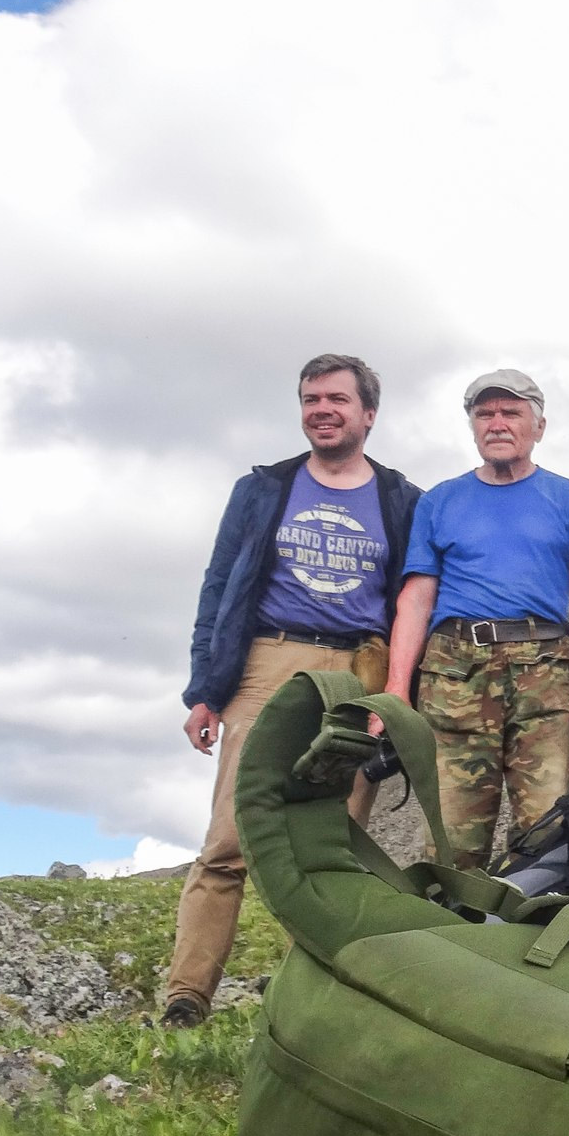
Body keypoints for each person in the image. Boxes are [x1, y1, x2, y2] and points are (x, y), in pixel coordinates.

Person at [166, 352, 423, 1025]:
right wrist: (205, 687)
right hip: (267, 662)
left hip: (358, 672)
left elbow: (413, 601)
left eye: (336, 398)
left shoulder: (402, 499)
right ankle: (186, 998)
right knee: (229, 838)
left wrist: (398, 700)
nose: (321, 410)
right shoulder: (263, 488)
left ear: (368, 412)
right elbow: (219, 586)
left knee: (331, 843)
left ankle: (307, 1005)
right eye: (310, 399)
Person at [386, 370, 569, 872]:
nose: (496, 423)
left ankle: (529, 944)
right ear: (471, 426)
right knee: (451, 837)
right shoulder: (439, 501)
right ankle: (450, 943)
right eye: (483, 413)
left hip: (545, 671)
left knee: (549, 831)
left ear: (539, 425)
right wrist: (396, 692)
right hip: (454, 674)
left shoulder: (568, 496)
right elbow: (416, 596)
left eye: (510, 412)